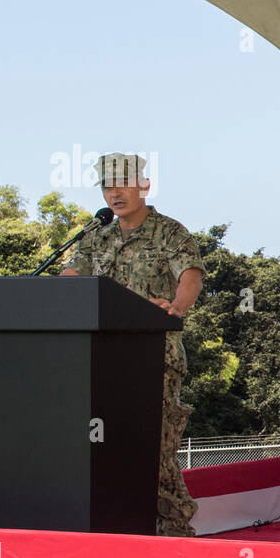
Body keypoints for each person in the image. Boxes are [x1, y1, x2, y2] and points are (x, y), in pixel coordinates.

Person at [60, 152, 205, 536]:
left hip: (154, 354)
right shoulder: (97, 234)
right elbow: (74, 272)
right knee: (101, 445)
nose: (114, 193)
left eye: (123, 184)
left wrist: (175, 306)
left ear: (144, 185)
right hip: (100, 354)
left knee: (154, 446)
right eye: (107, 186)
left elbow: (190, 276)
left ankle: (174, 530)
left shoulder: (170, 233)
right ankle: (115, 530)